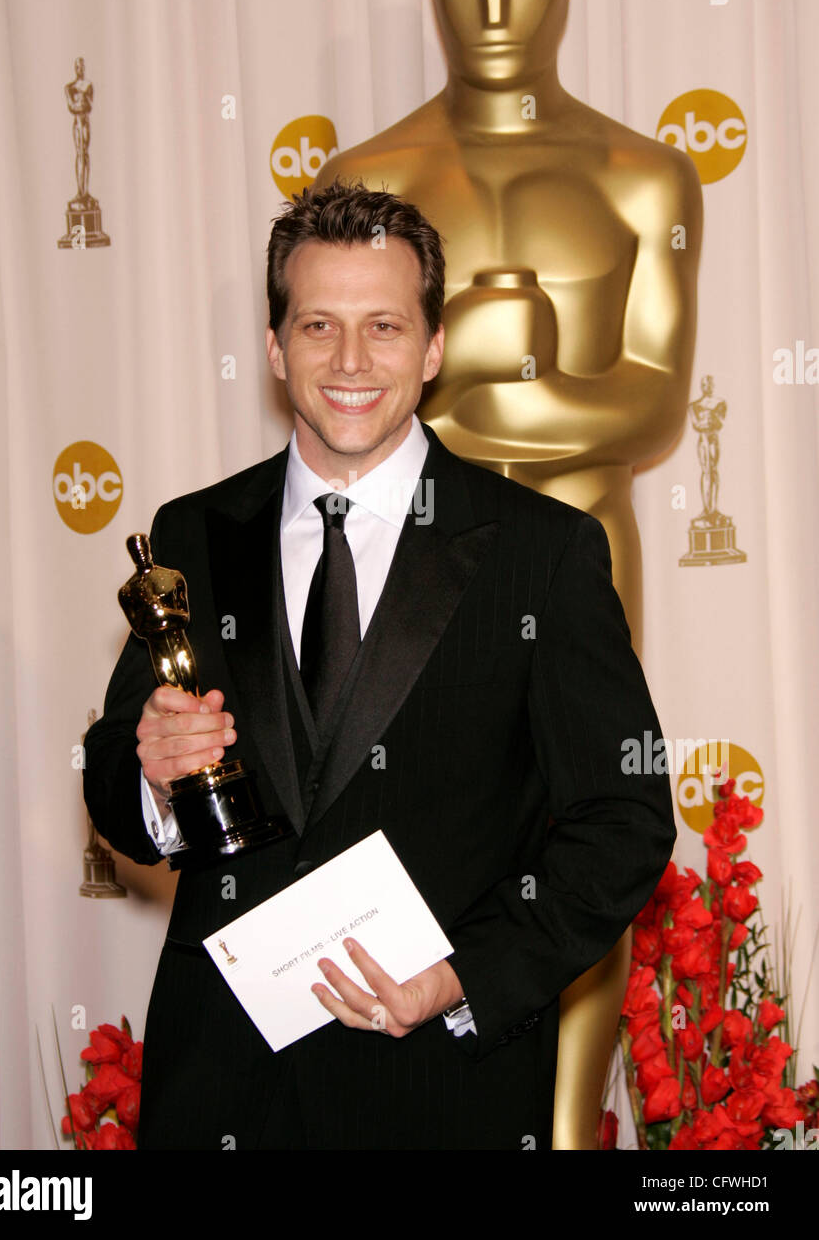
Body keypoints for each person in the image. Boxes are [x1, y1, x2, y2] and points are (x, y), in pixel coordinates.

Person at [83, 179, 676, 1150]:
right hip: (221, 1091)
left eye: (384, 326)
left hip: (440, 1096)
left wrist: (463, 974)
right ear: (273, 348)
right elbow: (116, 788)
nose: (349, 360)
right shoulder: (191, 530)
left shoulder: (540, 550)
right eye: (317, 324)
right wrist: (149, 775)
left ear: (433, 346)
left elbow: (623, 818)